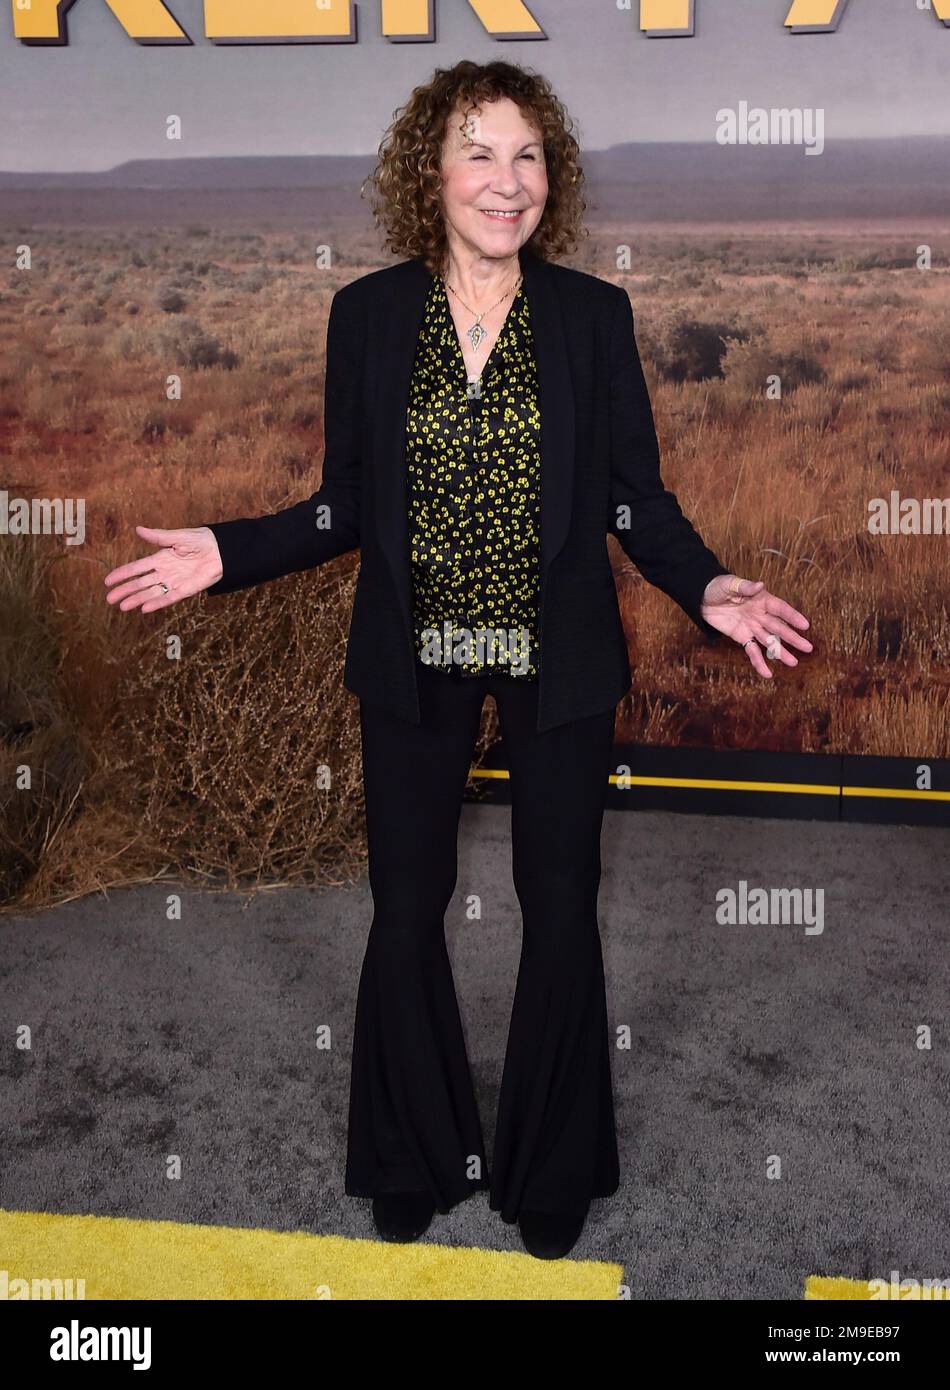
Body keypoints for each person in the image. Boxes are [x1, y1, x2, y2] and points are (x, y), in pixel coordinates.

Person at [104, 59, 813, 1261]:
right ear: (427, 174)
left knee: (557, 907)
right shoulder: (369, 316)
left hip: (557, 654)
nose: (506, 180)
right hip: (416, 648)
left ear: (554, 180)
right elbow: (341, 510)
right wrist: (224, 552)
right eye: (478, 152)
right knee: (406, 904)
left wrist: (708, 586)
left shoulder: (591, 318)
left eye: (528, 155)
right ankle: (410, 1151)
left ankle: (550, 1163)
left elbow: (635, 505)